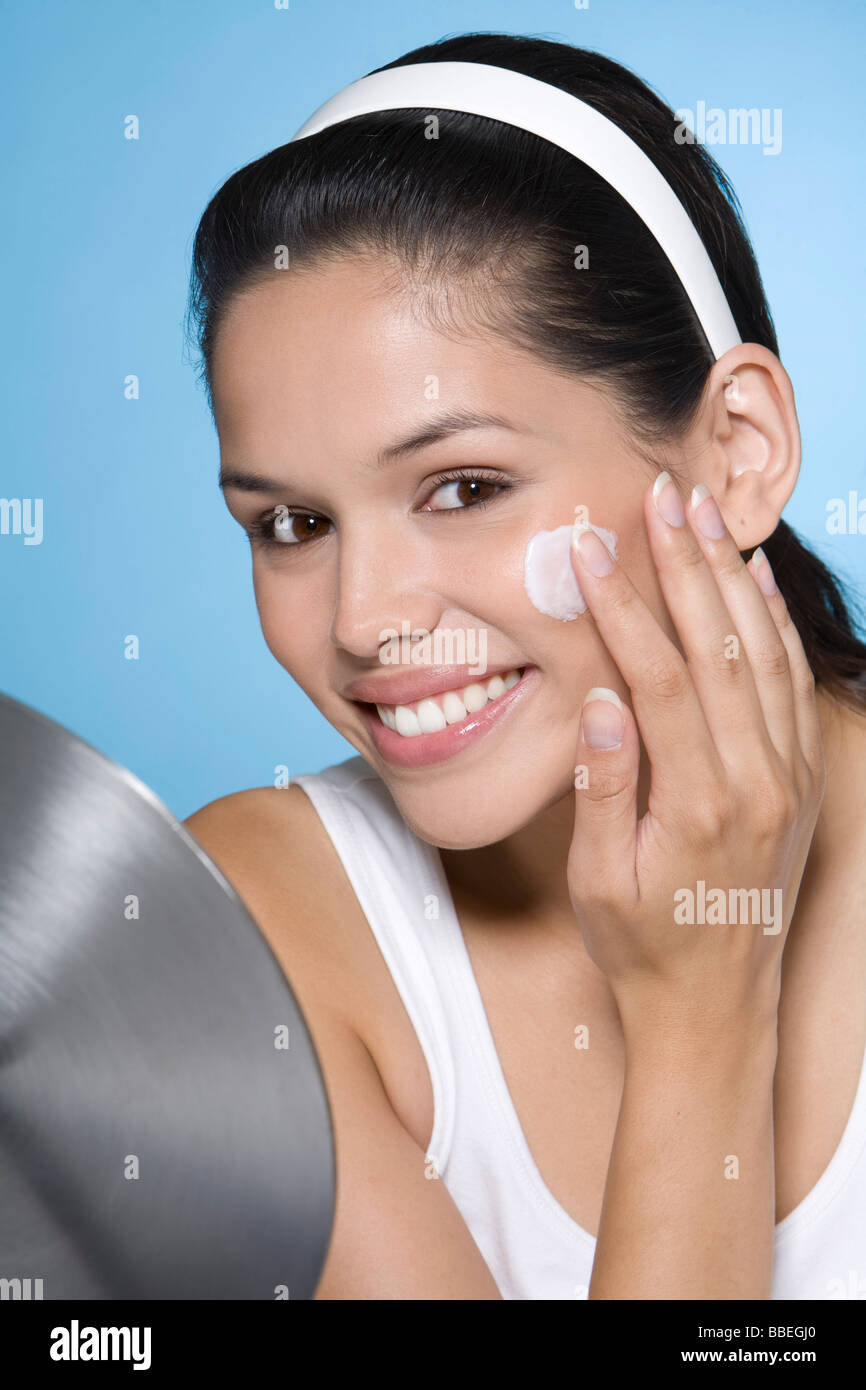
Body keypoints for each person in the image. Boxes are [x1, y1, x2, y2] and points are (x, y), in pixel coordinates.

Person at [181, 32, 866, 1299]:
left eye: (463, 486)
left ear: (735, 448)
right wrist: (700, 1013)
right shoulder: (248, 939)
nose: (365, 622)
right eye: (291, 523)